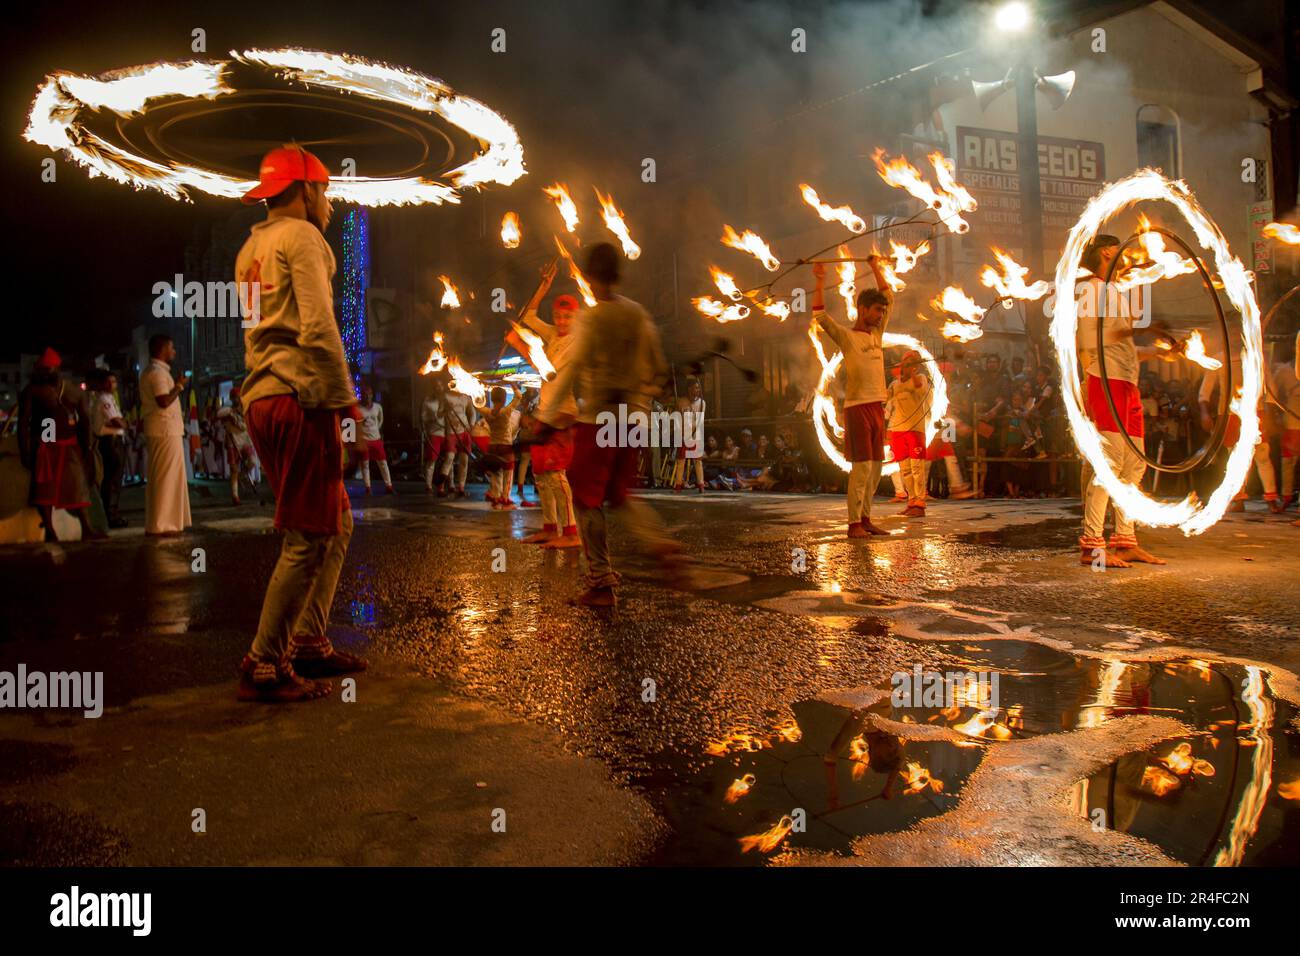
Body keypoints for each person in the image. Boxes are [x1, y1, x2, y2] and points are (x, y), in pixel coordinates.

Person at [234, 143, 367, 702]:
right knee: (309, 536)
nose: (331, 202)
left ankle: (309, 640)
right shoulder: (304, 237)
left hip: (262, 395)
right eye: (327, 189)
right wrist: (347, 404)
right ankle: (264, 662)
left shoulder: (250, 248)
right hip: (299, 396)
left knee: (335, 520)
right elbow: (318, 327)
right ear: (305, 189)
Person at [537, 242, 677, 607]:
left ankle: (600, 581)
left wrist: (547, 418)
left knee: (585, 498)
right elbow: (659, 370)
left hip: (597, 420)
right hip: (629, 420)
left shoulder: (593, 318)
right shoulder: (638, 314)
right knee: (620, 496)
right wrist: (640, 398)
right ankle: (661, 544)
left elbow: (572, 369)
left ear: (590, 276)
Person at [1076, 234, 1167, 567]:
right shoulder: (1091, 289)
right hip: (1105, 382)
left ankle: (1125, 541)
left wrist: (1156, 351)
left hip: (1128, 384)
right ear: (1107, 252)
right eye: (1121, 254)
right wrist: (1141, 331)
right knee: (1111, 464)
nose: (1127, 260)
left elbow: (1120, 347)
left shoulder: (1115, 292)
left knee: (1134, 464)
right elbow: (1090, 340)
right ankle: (1092, 548)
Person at [810, 256, 893, 537]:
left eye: (882, 311)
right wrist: (820, 279)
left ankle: (867, 519)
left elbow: (890, 295)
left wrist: (875, 267)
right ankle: (854, 524)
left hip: (877, 407)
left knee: (877, 468)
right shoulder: (847, 337)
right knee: (862, 468)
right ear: (862, 310)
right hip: (857, 408)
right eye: (876, 311)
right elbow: (820, 317)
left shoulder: (877, 335)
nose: (881, 315)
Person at [518, 266, 581, 548]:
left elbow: (551, 371)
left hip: (563, 415)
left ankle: (572, 533)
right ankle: (550, 527)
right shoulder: (553, 333)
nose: (561, 320)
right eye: (558, 315)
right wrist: (544, 285)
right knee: (541, 475)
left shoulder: (578, 340)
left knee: (557, 475)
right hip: (545, 414)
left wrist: (522, 348)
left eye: (567, 316)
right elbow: (529, 317)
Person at [17, 349, 101, 541]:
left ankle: (86, 528)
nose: (44, 372)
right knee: (44, 489)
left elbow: (85, 421)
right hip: (45, 444)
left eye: (47, 369)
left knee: (78, 486)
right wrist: (25, 450)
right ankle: (50, 529)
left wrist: (87, 448)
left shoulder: (73, 391)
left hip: (69, 445)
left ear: (56, 368)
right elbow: (23, 422)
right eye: (41, 369)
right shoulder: (32, 391)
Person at [139, 334, 192, 536]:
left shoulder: (155, 372)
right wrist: (179, 386)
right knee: (165, 478)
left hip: (164, 430)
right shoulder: (157, 374)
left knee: (166, 477)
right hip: (164, 430)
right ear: (162, 349)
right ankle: (162, 523)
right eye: (172, 347)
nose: (174, 351)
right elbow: (163, 401)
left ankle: (165, 521)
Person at [886, 349, 932, 516]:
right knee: (905, 468)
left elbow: (918, 390)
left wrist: (910, 374)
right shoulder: (894, 384)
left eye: (912, 364)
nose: (907, 367)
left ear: (916, 367)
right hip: (898, 429)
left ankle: (920, 503)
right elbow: (887, 401)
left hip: (915, 429)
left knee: (916, 467)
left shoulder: (921, 379)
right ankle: (911, 501)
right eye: (906, 363)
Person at [88, 369, 128, 528]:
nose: (114, 384)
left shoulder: (108, 398)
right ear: (103, 383)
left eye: (114, 381)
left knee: (113, 479)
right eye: (110, 381)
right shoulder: (104, 399)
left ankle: (111, 513)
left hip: (112, 440)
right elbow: (118, 422)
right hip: (111, 441)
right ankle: (111, 516)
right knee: (113, 480)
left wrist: (120, 422)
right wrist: (123, 423)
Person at [216, 387, 258, 505]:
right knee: (234, 469)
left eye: (238, 397)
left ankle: (243, 476)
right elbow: (218, 414)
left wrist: (235, 419)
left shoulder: (246, 409)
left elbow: (245, 426)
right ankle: (235, 495)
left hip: (245, 440)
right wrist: (229, 414)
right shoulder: (229, 410)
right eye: (234, 397)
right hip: (233, 442)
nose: (236, 400)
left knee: (253, 462)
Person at [483, 383, 522, 509]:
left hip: (492, 446)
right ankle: (505, 499)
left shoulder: (486, 412)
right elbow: (518, 397)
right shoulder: (506, 412)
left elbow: (477, 403)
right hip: (505, 446)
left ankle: (495, 498)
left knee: (496, 474)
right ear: (504, 399)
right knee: (508, 474)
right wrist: (514, 386)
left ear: (493, 399)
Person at [355, 383, 395, 496]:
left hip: (376, 439)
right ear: (362, 396)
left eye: (369, 394)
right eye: (365, 395)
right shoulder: (358, 409)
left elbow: (380, 419)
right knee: (365, 464)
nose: (367, 397)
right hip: (364, 440)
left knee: (382, 463)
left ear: (372, 395)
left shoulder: (378, 407)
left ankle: (389, 485)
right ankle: (368, 487)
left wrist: (377, 429)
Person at [673, 379, 707, 493]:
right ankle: (678, 485)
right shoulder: (681, 401)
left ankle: (701, 485)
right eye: (694, 388)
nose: (696, 390)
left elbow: (700, 421)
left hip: (695, 435)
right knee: (681, 461)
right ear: (689, 389)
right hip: (683, 435)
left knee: (697, 461)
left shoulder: (702, 403)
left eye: (698, 388)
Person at [441, 386, 475, 498]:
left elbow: (472, 412)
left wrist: (471, 424)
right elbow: (439, 414)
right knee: (449, 458)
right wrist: (445, 410)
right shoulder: (446, 397)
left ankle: (461, 487)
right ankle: (442, 485)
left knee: (464, 461)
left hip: (464, 431)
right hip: (451, 431)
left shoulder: (466, 397)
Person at [420, 379, 448, 494]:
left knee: (448, 460)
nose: (439, 388)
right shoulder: (428, 402)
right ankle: (429, 485)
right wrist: (435, 418)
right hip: (434, 433)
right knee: (432, 460)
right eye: (436, 386)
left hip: (447, 433)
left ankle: (447, 485)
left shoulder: (447, 400)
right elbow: (423, 418)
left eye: (441, 386)